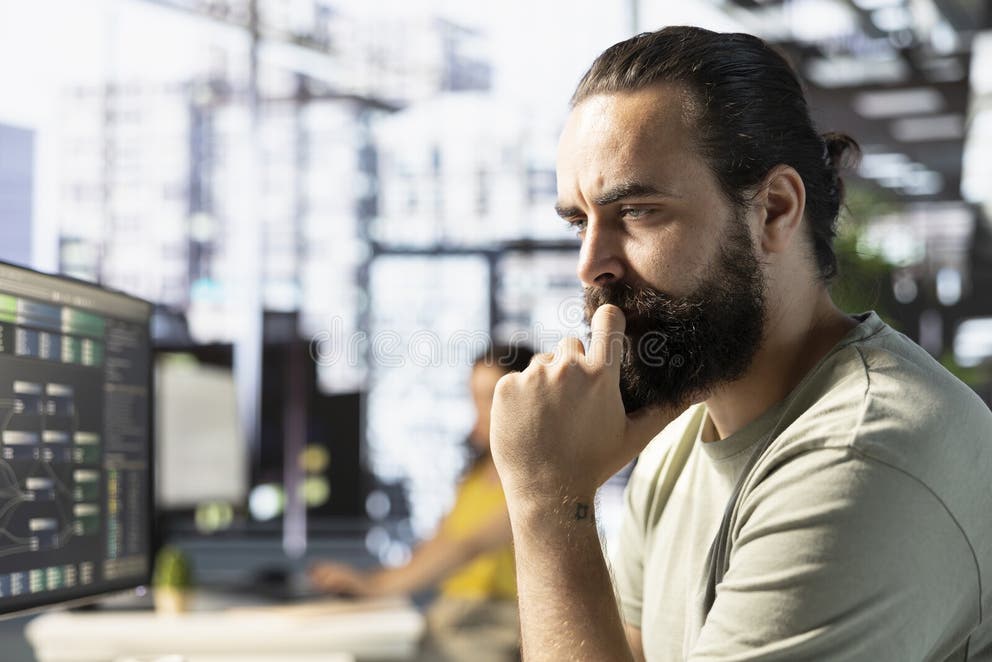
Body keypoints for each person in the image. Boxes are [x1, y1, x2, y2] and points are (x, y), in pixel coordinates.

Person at [490, 26, 992, 661]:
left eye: (638, 211)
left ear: (775, 210)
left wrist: (548, 504)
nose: (591, 264)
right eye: (579, 222)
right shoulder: (675, 443)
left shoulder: (862, 450)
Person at [310, 343, 534, 661]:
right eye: (475, 397)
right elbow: (440, 541)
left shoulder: (535, 479)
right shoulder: (477, 475)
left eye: (490, 397)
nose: (480, 411)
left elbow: (466, 545)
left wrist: (374, 586)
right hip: (452, 617)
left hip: (494, 626)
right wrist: (372, 582)